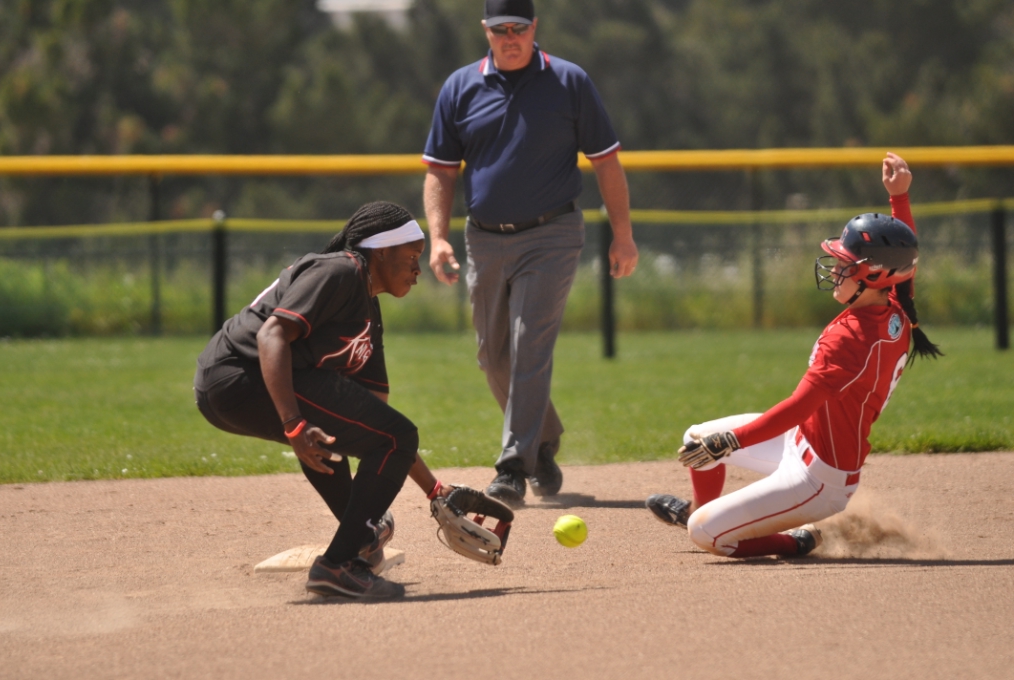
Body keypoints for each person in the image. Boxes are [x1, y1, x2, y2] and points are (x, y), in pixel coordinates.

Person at [645, 153, 942, 558]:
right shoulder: (893, 307)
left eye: (846, 265)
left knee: (706, 535)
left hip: (819, 479)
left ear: (874, 276)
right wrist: (899, 198)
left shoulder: (854, 339)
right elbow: (904, 256)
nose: (836, 269)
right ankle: (704, 507)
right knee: (696, 436)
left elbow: (795, 407)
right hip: (800, 440)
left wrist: (728, 443)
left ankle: (803, 538)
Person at [422, 0, 639, 505]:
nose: (510, 37)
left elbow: (606, 161)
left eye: (519, 27)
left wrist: (623, 235)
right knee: (490, 356)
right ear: (486, 31)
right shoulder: (460, 87)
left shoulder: (569, 81)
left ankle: (513, 467)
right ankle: (542, 441)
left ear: (535, 28)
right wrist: (436, 237)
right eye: (501, 29)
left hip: (552, 234)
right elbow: (440, 169)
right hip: (483, 238)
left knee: (528, 346)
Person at [194, 201, 459, 599]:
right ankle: (338, 565)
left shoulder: (368, 313)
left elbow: (375, 420)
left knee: (355, 440)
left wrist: (435, 491)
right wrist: (294, 424)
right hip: (236, 375)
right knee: (390, 437)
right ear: (381, 252)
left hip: (244, 387)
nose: (418, 269)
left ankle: (356, 545)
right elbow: (271, 337)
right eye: (411, 257)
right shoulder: (340, 271)